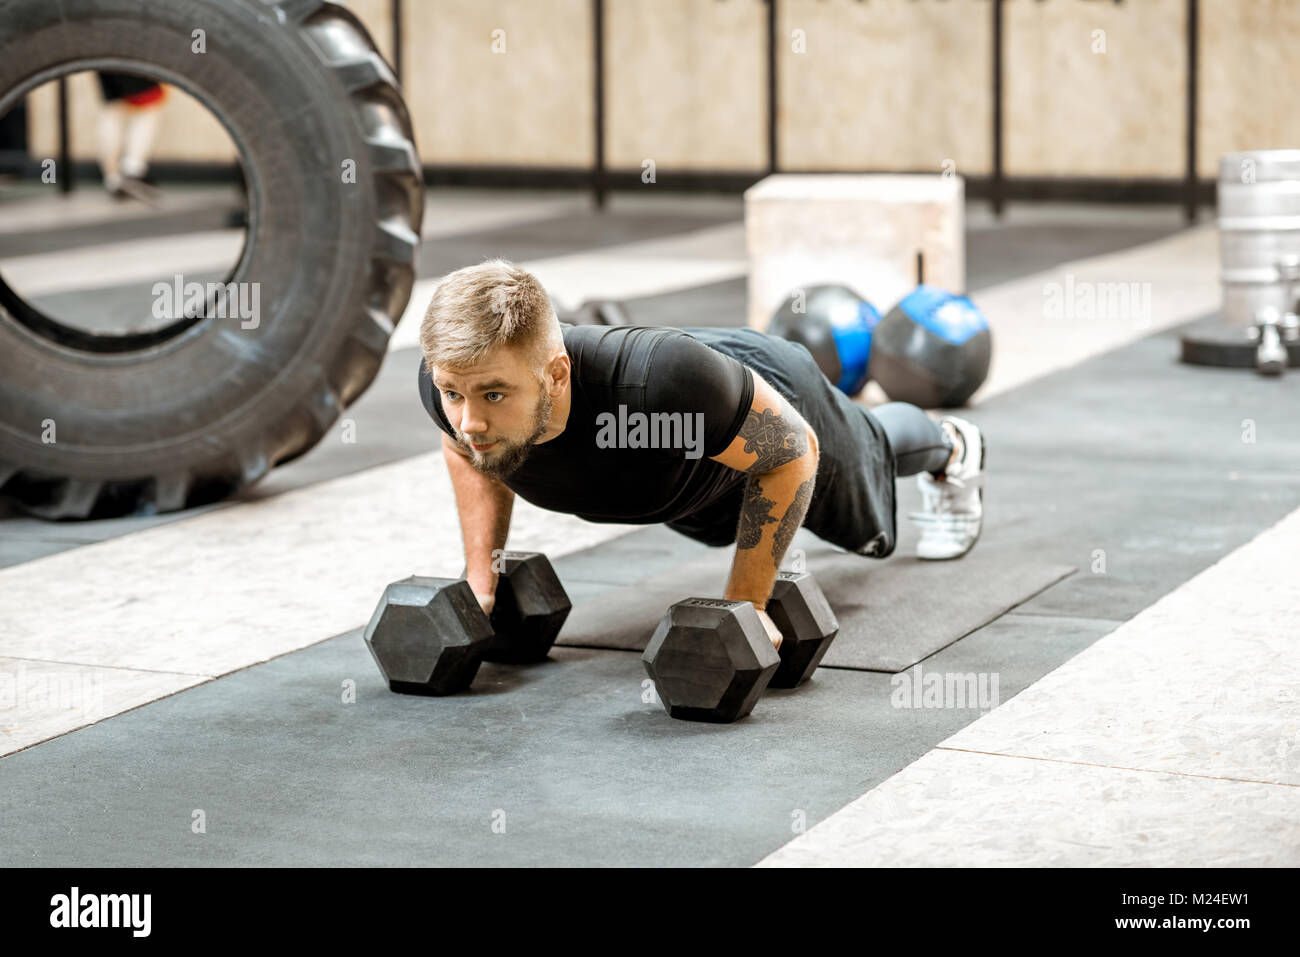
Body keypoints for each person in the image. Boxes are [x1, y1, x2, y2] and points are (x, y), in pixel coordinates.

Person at [417, 260, 986, 650]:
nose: (469, 420)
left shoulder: (661, 385)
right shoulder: (452, 385)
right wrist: (480, 578)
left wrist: (748, 606)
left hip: (768, 408)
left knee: (872, 458)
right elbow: (463, 449)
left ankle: (953, 448)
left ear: (557, 373)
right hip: (673, 478)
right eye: (453, 394)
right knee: (717, 521)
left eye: (494, 394)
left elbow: (790, 452)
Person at [95, 71, 166, 203]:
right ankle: (132, 171)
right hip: (127, 53)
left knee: (112, 106)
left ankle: (113, 179)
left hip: (98, 53)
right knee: (149, 103)